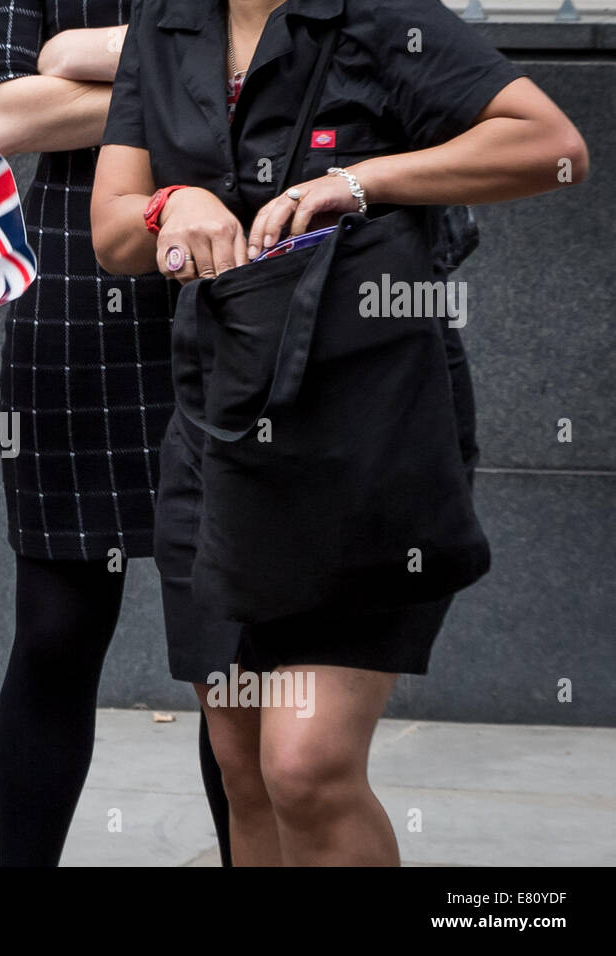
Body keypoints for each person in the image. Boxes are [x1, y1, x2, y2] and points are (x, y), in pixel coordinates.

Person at [92, 0, 587, 864]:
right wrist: (172, 203)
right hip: (220, 431)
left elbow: (553, 146)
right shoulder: (166, 24)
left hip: (371, 430)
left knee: (305, 767)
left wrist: (362, 180)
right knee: (243, 769)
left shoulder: (381, 15)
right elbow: (112, 226)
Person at [0, 0, 232, 866]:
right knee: (56, 626)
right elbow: (7, 114)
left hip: (240, 271)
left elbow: (295, 82)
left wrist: (93, 65)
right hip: (79, 285)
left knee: (232, 648)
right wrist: (202, 77)